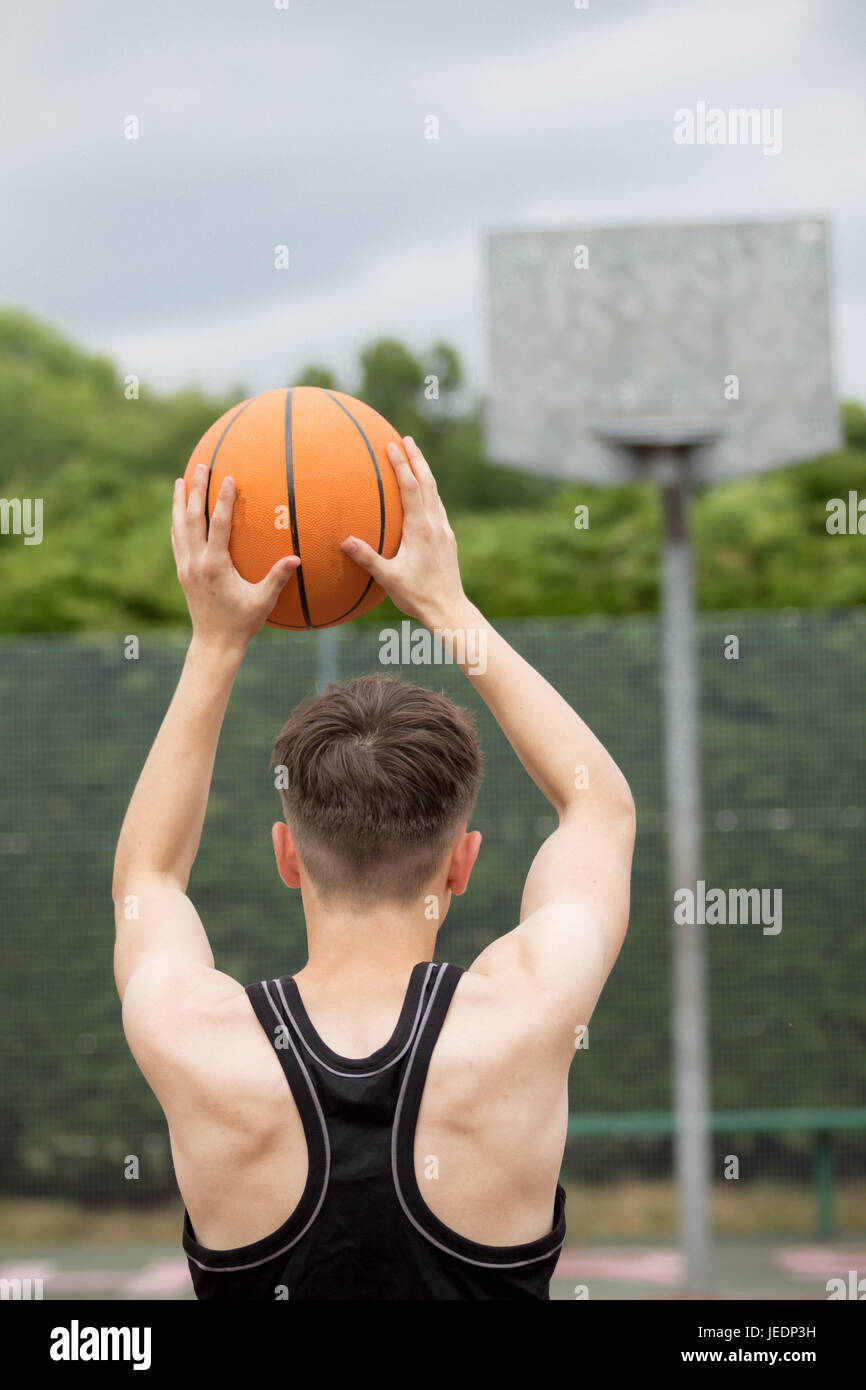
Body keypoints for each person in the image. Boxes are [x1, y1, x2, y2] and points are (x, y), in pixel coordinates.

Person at [113, 437, 635, 1300]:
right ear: (461, 864)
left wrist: (215, 644)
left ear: (287, 857)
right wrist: (447, 605)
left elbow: (148, 879)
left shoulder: (194, 1036)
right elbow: (599, 809)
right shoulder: (529, 1010)